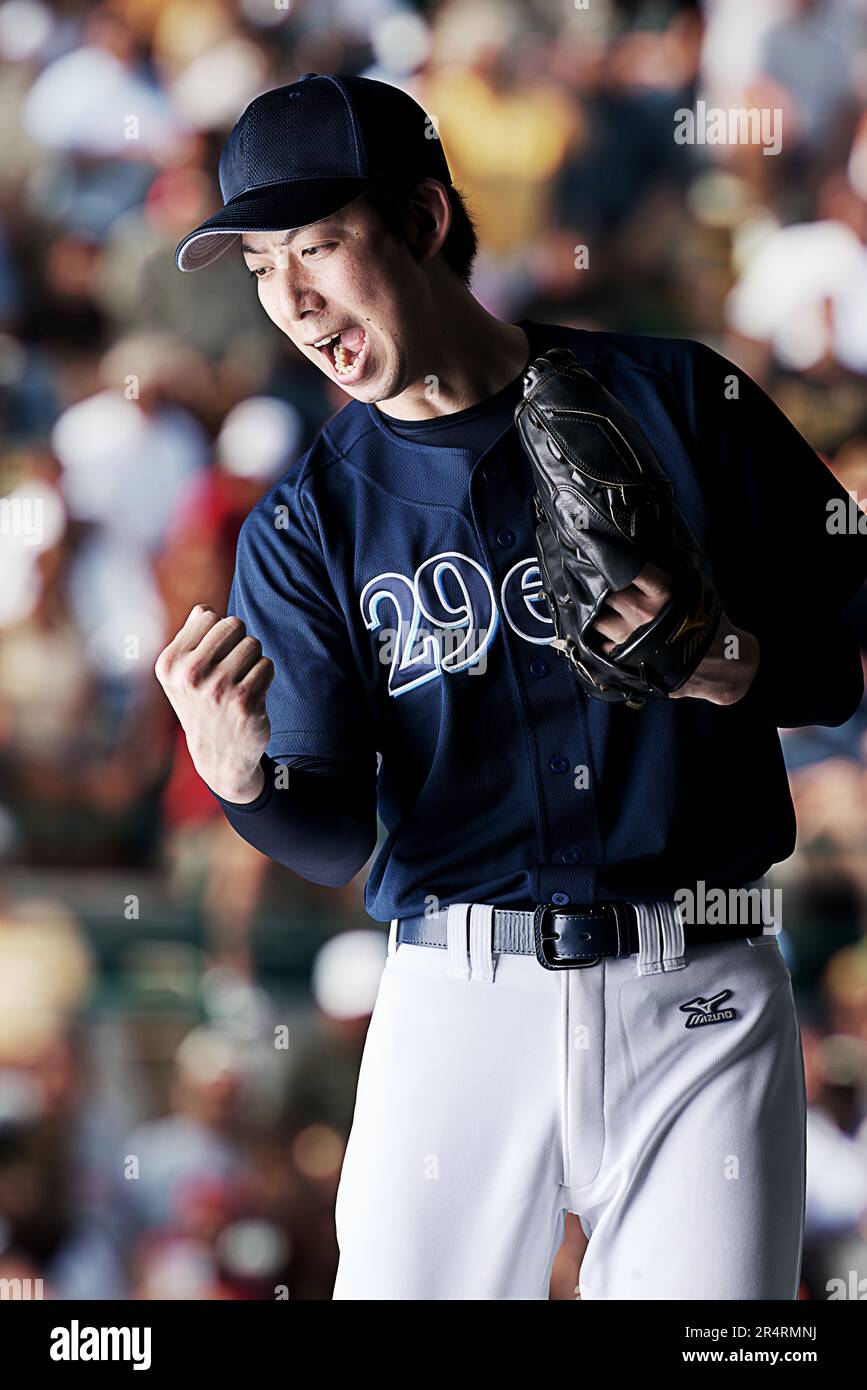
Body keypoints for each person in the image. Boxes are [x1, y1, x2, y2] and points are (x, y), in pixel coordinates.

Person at [156, 73, 867, 1300]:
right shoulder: (307, 524)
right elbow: (327, 833)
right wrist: (242, 782)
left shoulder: (687, 398)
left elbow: (842, 656)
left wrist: (735, 662)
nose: (292, 297)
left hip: (704, 985)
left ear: (426, 222)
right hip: (459, 1000)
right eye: (263, 267)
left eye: (319, 246)